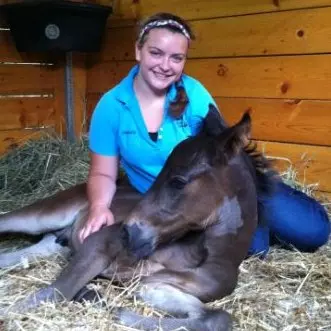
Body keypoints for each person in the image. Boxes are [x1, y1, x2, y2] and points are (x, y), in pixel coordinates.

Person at [79, 12, 330, 257]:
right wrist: (99, 207)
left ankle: (269, 220)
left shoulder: (195, 94)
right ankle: (263, 230)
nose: (165, 66)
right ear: (138, 51)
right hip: (177, 202)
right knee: (255, 249)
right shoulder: (111, 106)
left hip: (226, 190)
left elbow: (226, 156)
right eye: (156, 53)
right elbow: (102, 172)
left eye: (176, 58)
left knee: (314, 232)